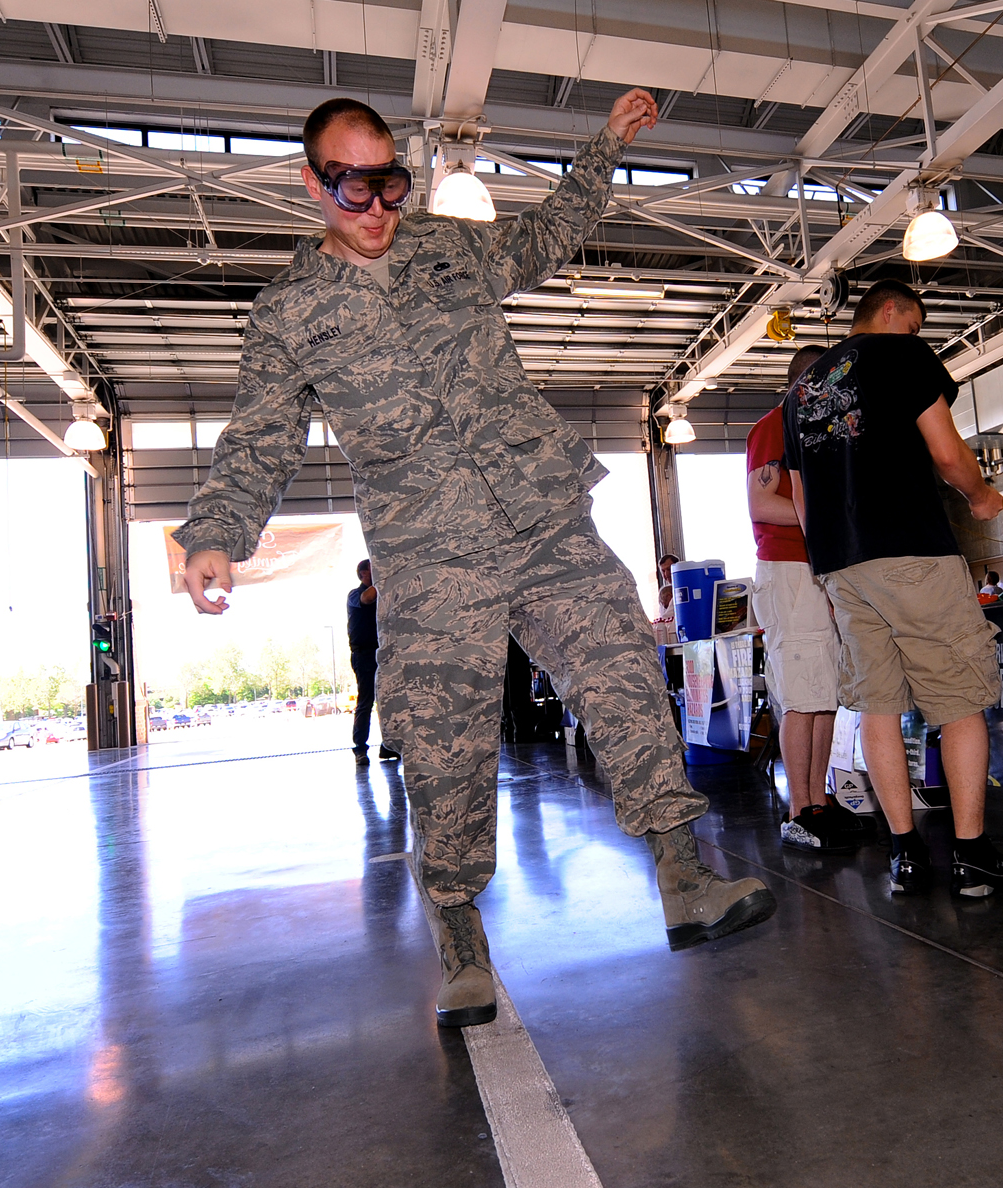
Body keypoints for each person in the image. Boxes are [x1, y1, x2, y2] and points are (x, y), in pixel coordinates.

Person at [171, 93, 774, 1029]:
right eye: (352, 188)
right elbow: (260, 439)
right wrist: (216, 532)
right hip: (427, 552)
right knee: (446, 746)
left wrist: (604, 146)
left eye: (391, 186)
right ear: (312, 181)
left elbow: (553, 235)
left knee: (621, 672)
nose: (375, 209)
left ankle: (685, 879)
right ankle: (460, 941)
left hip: (541, 516)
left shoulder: (449, 251)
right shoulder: (288, 314)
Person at [783, 279, 1003, 897]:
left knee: (878, 704)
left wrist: (826, 560)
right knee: (958, 699)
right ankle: (971, 855)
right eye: (916, 323)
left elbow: (802, 495)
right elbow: (947, 453)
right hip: (911, 549)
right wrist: (981, 495)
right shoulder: (903, 356)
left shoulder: (805, 389)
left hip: (841, 565)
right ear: (891, 310)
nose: (919, 336)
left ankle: (906, 854)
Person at [746, 343, 866, 853]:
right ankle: (799, 810)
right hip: (789, 569)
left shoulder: (813, 429)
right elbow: (761, 503)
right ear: (807, 381)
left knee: (823, 696)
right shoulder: (776, 423)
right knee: (801, 697)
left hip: (817, 569)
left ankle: (818, 801)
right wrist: (831, 520)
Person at [347, 559, 399, 763]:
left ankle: (388, 746)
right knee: (366, 701)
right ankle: (360, 748)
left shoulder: (381, 595)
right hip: (364, 654)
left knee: (387, 700)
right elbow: (367, 599)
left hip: (383, 652)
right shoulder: (355, 594)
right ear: (363, 574)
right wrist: (383, 579)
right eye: (373, 571)